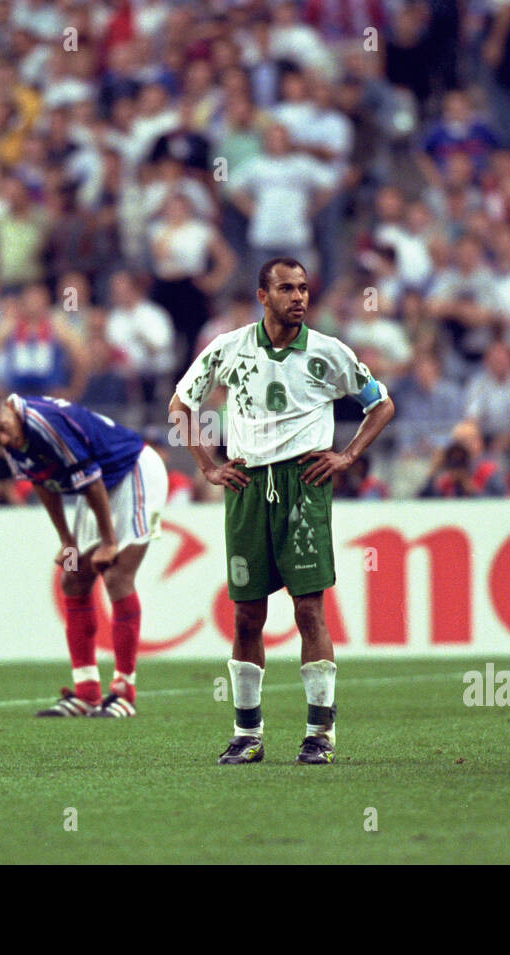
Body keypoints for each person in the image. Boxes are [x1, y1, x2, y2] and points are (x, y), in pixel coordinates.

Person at [169, 257, 394, 765]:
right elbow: (180, 406)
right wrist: (208, 464)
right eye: (287, 289)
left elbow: (380, 404)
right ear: (262, 295)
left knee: (308, 609)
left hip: (303, 485)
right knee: (247, 614)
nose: (299, 298)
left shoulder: (329, 352)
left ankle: (320, 735)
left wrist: (348, 456)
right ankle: (247, 735)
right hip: (247, 485)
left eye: (304, 289)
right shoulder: (228, 349)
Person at [0, 391, 168, 717]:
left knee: (116, 573)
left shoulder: (44, 424)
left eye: (3, 428)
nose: (3, 438)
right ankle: (87, 691)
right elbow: (42, 484)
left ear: (9, 407)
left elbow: (89, 480)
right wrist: (68, 541)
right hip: (101, 486)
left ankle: (123, 692)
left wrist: (108, 542)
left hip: (134, 471)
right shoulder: (12, 443)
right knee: (73, 579)